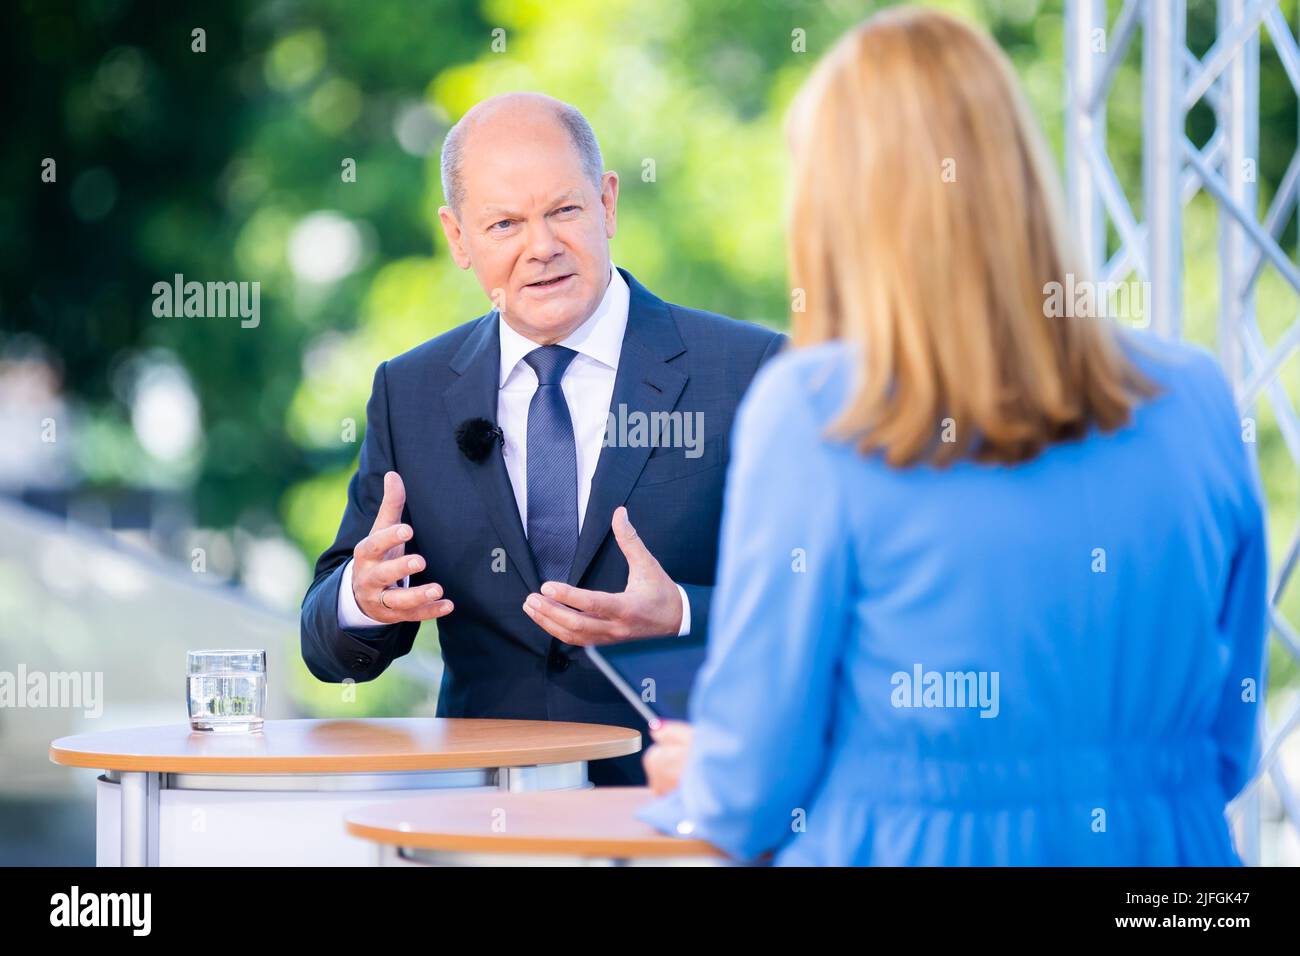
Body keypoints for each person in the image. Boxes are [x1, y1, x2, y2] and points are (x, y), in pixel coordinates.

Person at [637, 7, 1269, 864]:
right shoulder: (1193, 396)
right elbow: (1227, 747)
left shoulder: (816, 411)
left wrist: (703, 776)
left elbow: (753, 791)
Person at [299, 92, 784, 786]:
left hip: (683, 813)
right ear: (458, 238)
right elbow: (328, 648)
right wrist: (362, 597)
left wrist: (680, 613)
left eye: (564, 210)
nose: (542, 247)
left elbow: (814, 606)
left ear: (608, 203)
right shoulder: (408, 394)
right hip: (484, 818)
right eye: (504, 224)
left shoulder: (750, 373)